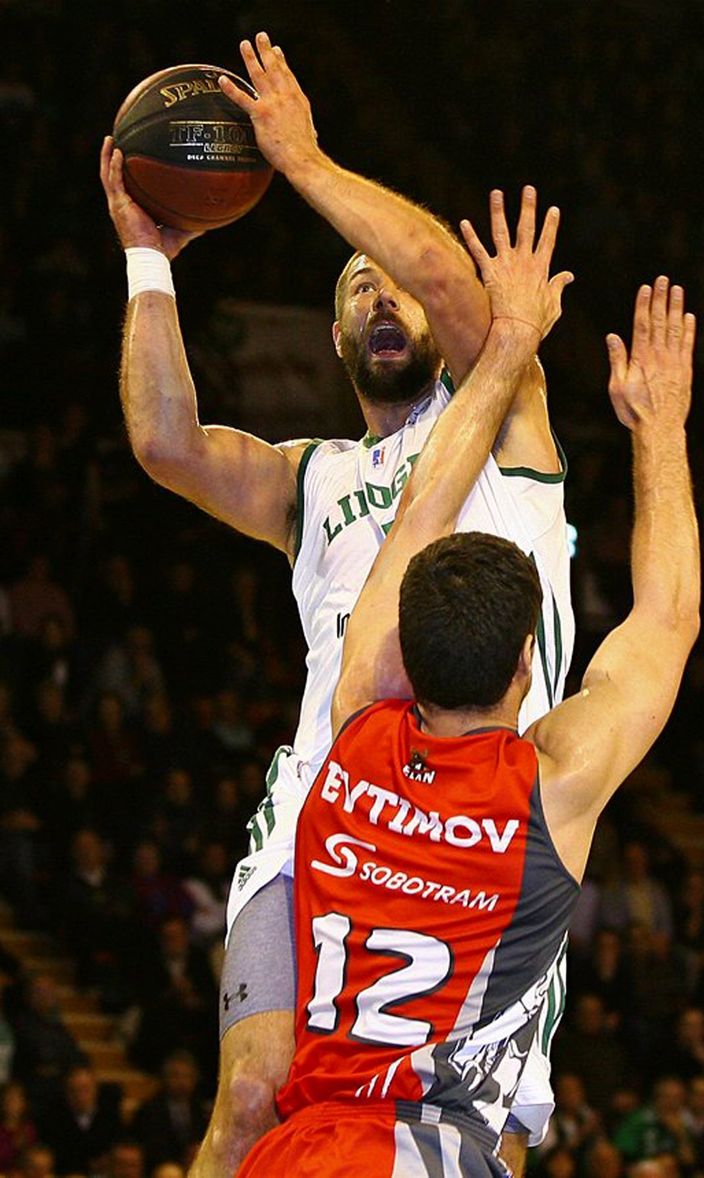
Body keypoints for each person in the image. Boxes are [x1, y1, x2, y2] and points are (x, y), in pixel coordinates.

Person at [99, 30, 575, 1175]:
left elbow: (456, 281)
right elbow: (165, 442)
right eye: (359, 286)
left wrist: (304, 164)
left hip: (482, 818)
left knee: (476, 1138)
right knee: (249, 1099)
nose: (384, 294)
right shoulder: (310, 476)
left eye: (395, 281)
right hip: (330, 796)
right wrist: (150, 259)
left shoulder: (504, 408)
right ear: (334, 337)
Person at [237, 199, 699, 1173]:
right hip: (433, 1153)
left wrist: (509, 345)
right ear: (529, 660)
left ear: (398, 646)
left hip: (303, 1149)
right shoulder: (550, 792)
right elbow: (667, 619)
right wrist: (658, 426)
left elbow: (415, 514)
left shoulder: (352, 732)